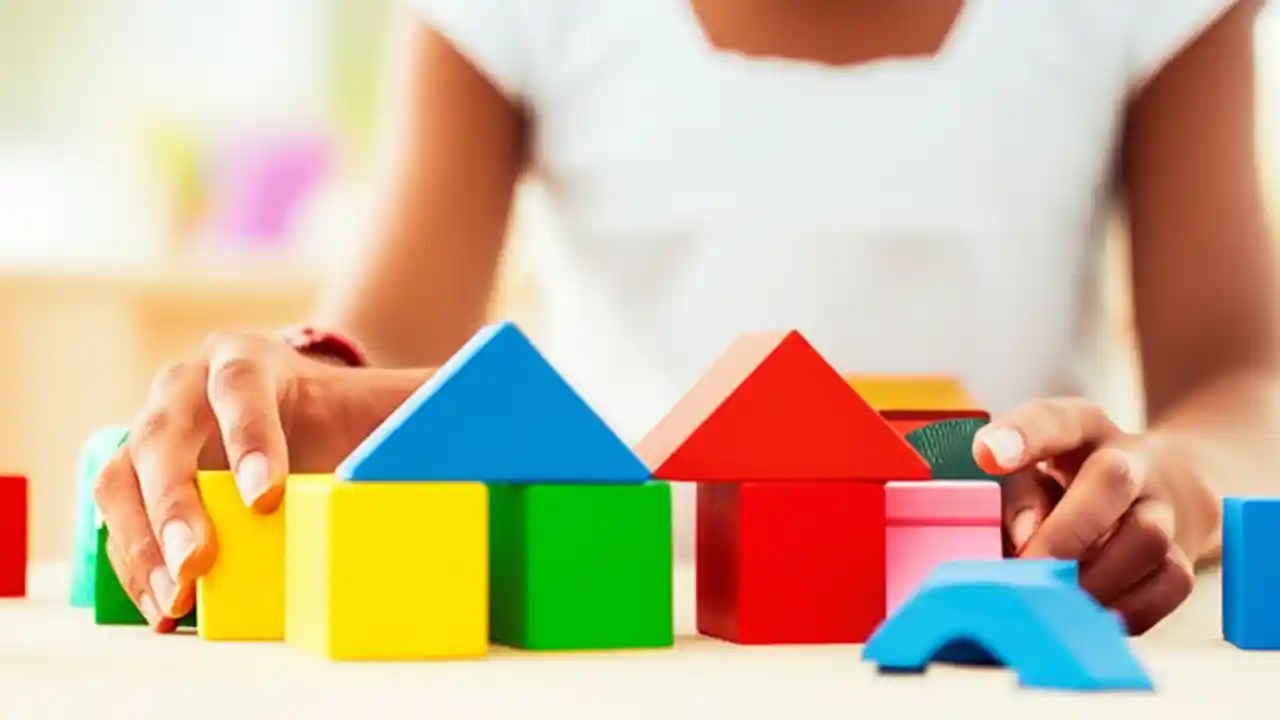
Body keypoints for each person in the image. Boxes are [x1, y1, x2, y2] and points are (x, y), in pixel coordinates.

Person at [93, 0, 1277, 636]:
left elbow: (1244, 383)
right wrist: (303, 384)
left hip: (999, 610)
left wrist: (1168, 479)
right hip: (619, 635)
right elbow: (379, 354)